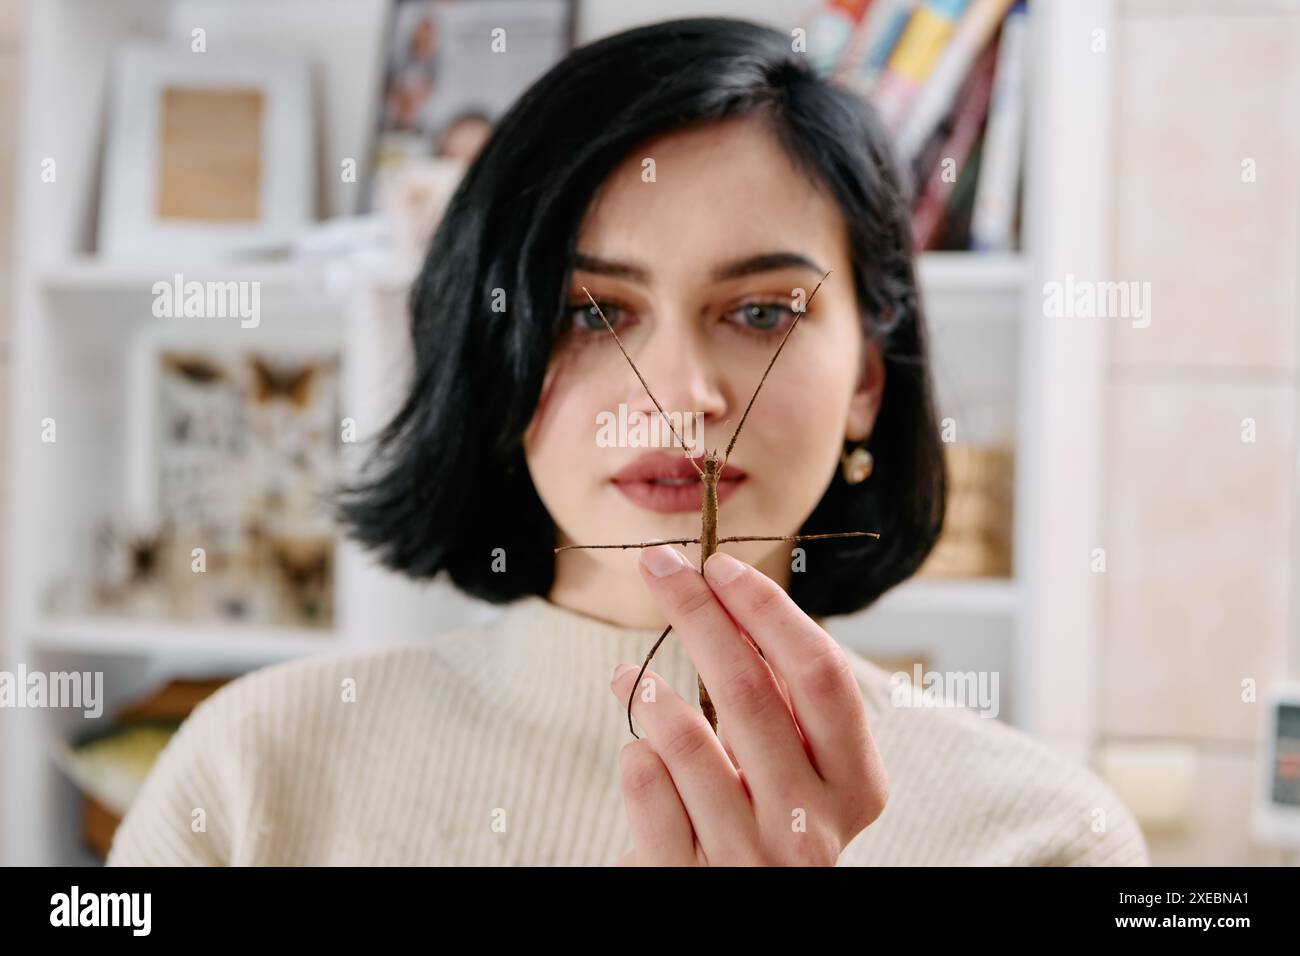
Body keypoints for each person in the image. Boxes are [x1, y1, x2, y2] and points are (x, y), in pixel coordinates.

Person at [107, 17, 1148, 866]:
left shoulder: (1044, 838)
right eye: (595, 313)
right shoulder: (253, 774)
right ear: (497, 357)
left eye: (761, 313)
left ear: (867, 380)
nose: (684, 397)